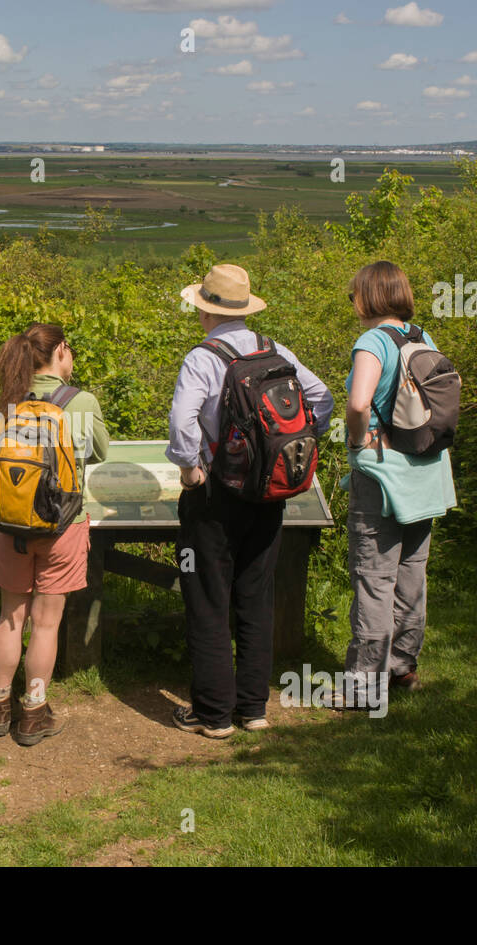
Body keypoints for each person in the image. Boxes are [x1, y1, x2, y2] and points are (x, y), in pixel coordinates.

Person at [167, 263, 334, 738]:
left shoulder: (203, 358)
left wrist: (190, 469)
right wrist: (294, 452)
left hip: (217, 493)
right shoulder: (274, 350)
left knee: (208, 598)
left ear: (205, 312)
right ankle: (253, 708)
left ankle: (213, 714)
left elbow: (183, 423)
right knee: (256, 596)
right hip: (269, 490)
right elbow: (320, 398)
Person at [0, 323, 109, 745]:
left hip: (12, 525)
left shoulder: (9, 401)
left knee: (10, 617)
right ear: (59, 352)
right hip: (63, 525)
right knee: (45, 623)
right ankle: (33, 711)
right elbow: (99, 451)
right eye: (69, 350)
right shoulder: (81, 401)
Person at [342, 261, 457, 704]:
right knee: (412, 573)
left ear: (367, 296)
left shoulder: (372, 341)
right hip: (426, 472)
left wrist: (359, 440)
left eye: (353, 293)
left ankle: (364, 687)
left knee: (374, 577)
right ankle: (402, 668)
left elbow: (358, 402)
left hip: (383, 475)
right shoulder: (421, 336)